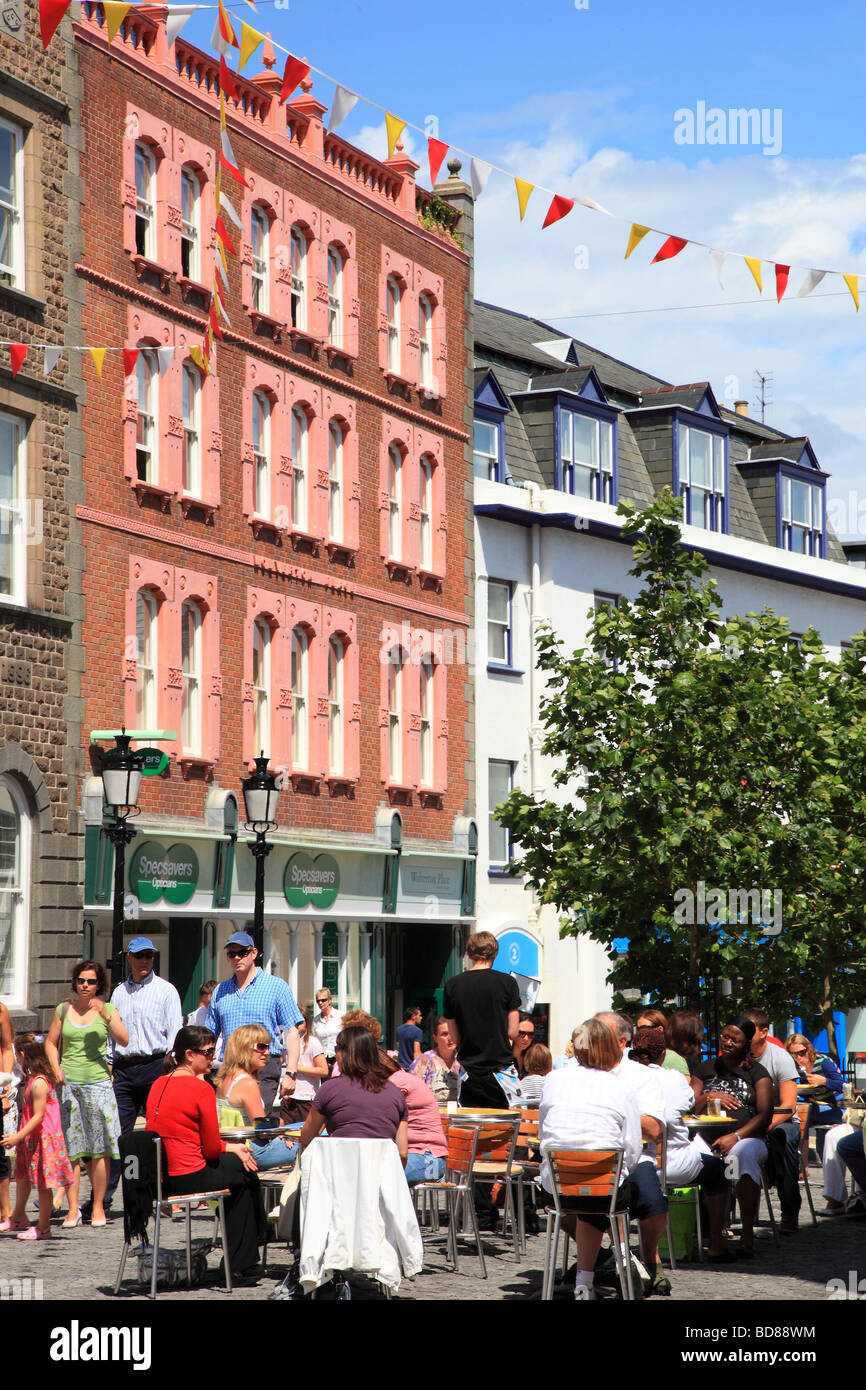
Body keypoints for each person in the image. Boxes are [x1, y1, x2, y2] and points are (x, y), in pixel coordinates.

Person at [146, 1025, 267, 1284]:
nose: (214, 1057)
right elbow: (211, 1149)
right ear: (190, 1055)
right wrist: (233, 1147)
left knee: (240, 1172)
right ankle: (245, 1257)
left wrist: (231, 1148)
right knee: (245, 1172)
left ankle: (245, 1254)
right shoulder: (200, 1089)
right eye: (209, 1052)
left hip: (159, 1176)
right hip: (188, 1174)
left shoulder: (158, 1083)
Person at [539, 1018, 642, 1301]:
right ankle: (620, 1258)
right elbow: (632, 1148)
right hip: (603, 1188)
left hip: (558, 1188)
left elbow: (543, 1133)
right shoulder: (621, 1088)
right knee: (605, 1196)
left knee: (589, 1200)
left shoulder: (554, 1080)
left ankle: (587, 1280)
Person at [628, 1026, 730, 1259]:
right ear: (663, 1054)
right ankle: (716, 1244)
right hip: (676, 1163)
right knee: (719, 1171)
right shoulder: (673, 1078)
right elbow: (687, 1107)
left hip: (638, 1166)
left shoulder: (624, 1077)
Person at [45, 960, 128, 1227]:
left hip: (98, 1084)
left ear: (99, 985)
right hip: (69, 1084)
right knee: (72, 1149)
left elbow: (124, 1039)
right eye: (81, 980)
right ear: (75, 981)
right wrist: (56, 1068)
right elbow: (50, 1042)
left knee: (100, 1148)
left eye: (91, 981)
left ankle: (97, 1206)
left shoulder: (108, 1009)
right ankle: (72, 1209)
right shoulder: (63, 1009)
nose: (85, 985)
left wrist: (104, 1014)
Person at [103, 936, 184, 1211]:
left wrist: (172, 1066)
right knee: (119, 1136)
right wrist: (110, 1064)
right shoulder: (118, 993)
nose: (145, 961)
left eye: (149, 956)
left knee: (159, 1134)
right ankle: (109, 1196)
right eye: (140, 956)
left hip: (154, 1065)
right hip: (125, 1070)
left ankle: (163, 1194)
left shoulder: (166, 990)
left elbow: (175, 1032)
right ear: (129, 958)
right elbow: (112, 1034)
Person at [595, 1012, 671, 1295]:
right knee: (554, 1198)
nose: (592, 1039)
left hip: (634, 1155)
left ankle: (649, 1257)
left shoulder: (641, 1076)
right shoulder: (581, 1072)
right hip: (591, 1154)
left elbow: (652, 1129)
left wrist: (614, 1110)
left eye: (599, 1033)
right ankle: (608, 1255)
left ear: (621, 1041)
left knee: (654, 1204)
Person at [692, 1017, 773, 1259]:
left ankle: (746, 1236)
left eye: (734, 1040)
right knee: (694, 1156)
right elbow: (690, 1105)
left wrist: (735, 1136)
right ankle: (714, 1239)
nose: (727, 1042)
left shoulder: (758, 1073)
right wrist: (710, 1096)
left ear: (746, 1043)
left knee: (742, 1155)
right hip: (705, 1137)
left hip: (746, 1137)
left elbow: (765, 1114)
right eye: (725, 1037)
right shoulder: (705, 1069)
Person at [206, 933, 301, 1113]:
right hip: (230, 1066)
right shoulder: (221, 990)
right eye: (231, 954)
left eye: (242, 952)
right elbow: (209, 1033)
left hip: (263, 1065)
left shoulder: (276, 986)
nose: (236, 958)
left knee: (257, 1124)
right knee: (228, 1121)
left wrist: (290, 1073)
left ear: (254, 953)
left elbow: (293, 1031)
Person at [0, 1038, 74, 1239]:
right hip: (31, 1139)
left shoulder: (39, 1083)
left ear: (24, 1056)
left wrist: (17, 1136)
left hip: (44, 1140)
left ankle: (43, 1227)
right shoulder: (32, 1080)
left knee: (43, 1184)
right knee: (23, 1177)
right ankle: (18, 1217)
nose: (16, 1061)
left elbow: (39, 1116)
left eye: (17, 1057)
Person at [299, 1027, 408, 1158]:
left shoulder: (329, 1089)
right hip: (380, 1175)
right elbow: (402, 1153)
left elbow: (307, 1137)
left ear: (344, 1053)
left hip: (339, 1173)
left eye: (336, 1049)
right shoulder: (396, 1093)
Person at [442, 931, 521, 1109]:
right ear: (495, 954)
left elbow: (454, 1037)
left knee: (473, 1130)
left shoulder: (453, 985)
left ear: (469, 955)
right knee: (511, 1127)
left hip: (469, 1072)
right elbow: (513, 1031)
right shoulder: (507, 983)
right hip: (501, 1071)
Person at [743, 1007, 801, 1233]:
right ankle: (719, 1220)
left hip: (780, 1121)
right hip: (747, 1121)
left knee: (782, 1139)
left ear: (763, 1032)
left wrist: (762, 1126)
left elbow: (788, 1107)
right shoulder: (734, 1056)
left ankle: (789, 1211)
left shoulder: (780, 1058)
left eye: (748, 1029)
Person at [215, 1025, 299, 1171]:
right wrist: (280, 1122)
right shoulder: (247, 1082)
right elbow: (263, 1129)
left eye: (268, 1046)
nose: (267, 1052)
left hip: (233, 1145)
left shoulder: (226, 1078)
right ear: (244, 1048)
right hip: (254, 1150)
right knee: (312, 1141)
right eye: (261, 1047)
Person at [382, 1054, 447, 1183]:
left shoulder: (396, 1082)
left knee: (380, 1178)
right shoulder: (397, 1078)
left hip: (429, 1159)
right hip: (419, 1155)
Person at [784, 1033, 844, 1160]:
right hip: (816, 1108)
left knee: (802, 1116)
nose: (799, 1057)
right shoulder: (796, 1068)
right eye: (794, 1054)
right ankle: (801, 1164)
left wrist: (824, 1081)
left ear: (809, 1048)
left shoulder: (823, 1062)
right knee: (798, 1116)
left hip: (835, 1107)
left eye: (802, 1052)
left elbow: (842, 1085)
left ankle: (803, 1165)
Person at [279, 1006, 327, 1125]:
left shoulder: (312, 1042)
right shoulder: (287, 1040)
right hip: (288, 1096)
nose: (297, 1025)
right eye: (294, 1022)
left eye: (300, 1022)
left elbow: (324, 1070)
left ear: (307, 1022)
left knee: (302, 1135)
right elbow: (280, 1061)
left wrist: (296, 1067)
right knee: (285, 1135)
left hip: (306, 1097)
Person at [410, 1016, 462, 1104]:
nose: (450, 1038)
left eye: (452, 1033)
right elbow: (411, 1094)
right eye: (444, 1034)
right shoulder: (424, 1061)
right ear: (435, 1038)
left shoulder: (464, 1061)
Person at [636, 1008, 690, 1077]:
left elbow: (685, 1085)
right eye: (638, 1029)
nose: (640, 1033)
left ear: (660, 1029)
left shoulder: (673, 1058)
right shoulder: (633, 1055)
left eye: (644, 1029)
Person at [311, 987, 342, 1073]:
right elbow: (314, 1040)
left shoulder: (340, 1017)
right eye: (318, 1001)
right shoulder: (315, 1021)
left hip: (338, 1058)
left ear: (329, 1000)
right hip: (323, 1059)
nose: (320, 1003)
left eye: (323, 1000)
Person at [396, 1006, 423, 1072]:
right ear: (413, 1016)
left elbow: (398, 1046)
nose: (421, 1018)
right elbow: (416, 1051)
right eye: (419, 1015)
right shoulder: (417, 1031)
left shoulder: (399, 1029)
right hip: (411, 1067)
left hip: (401, 1067)